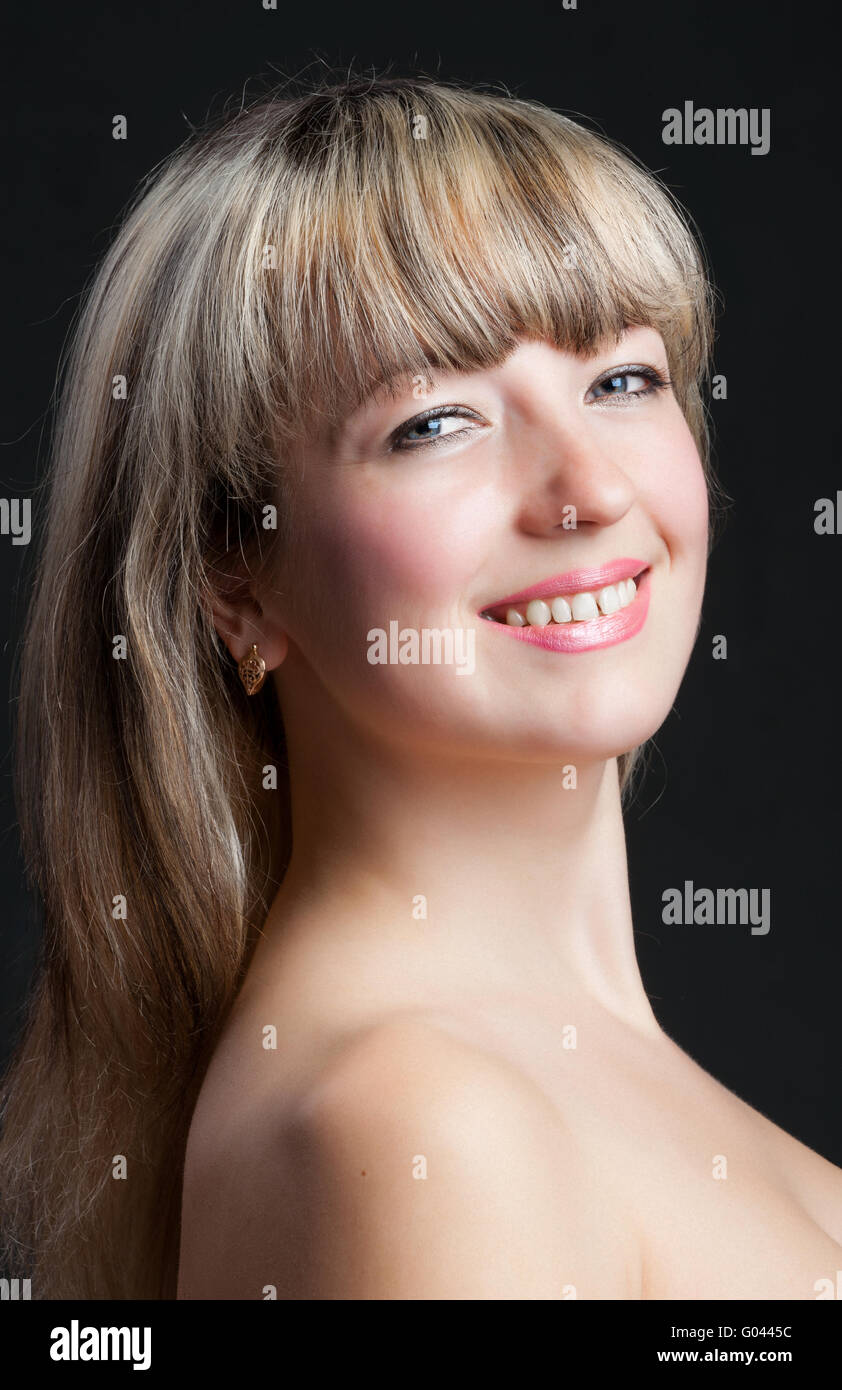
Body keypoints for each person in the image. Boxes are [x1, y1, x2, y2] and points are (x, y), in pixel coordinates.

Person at [2, 75, 839, 1301]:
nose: (588, 490)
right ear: (234, 577)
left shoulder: (520, 1100)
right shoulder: (419, 1131)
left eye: (621, 380)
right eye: (434, 422)